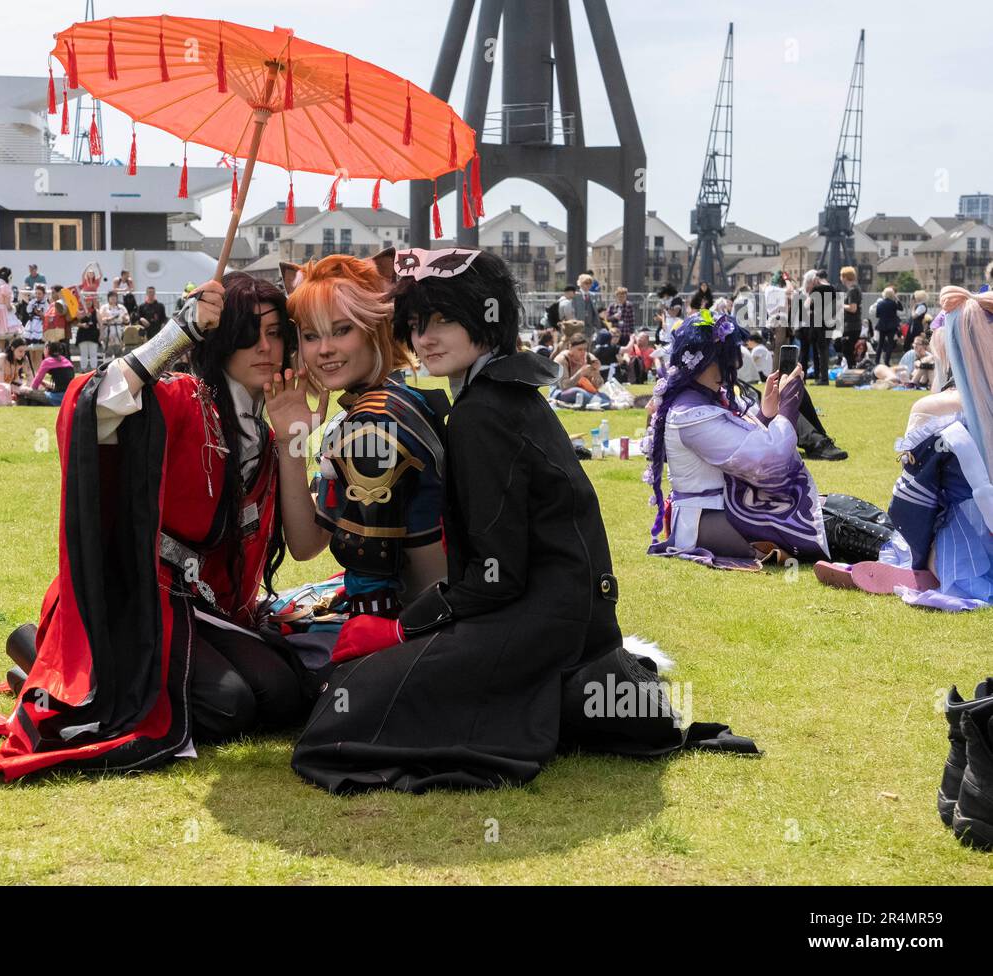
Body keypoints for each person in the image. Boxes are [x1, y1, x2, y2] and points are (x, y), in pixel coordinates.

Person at [291, 249, 757, 793]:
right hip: (559, 619)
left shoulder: (481, 412)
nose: (424, 339)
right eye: (416, 324)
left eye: (443, 319)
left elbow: (496, 575)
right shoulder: (498, 395)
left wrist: (401, 627)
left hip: (537, 625)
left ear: (485, 318)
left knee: (340, 720)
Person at [0, 274, 311, 777]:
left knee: (282, 696)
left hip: (206, 607)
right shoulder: (181, 399)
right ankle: (60, 663)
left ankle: (52, 658)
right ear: (219, 335)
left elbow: (298, 543)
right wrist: (178, 333)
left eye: (276, 333)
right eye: (247, 331)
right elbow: (93, 406)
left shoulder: (272, 418)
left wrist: (294, 438)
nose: (264, 346)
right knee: (232, 706)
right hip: (137, 596)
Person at [266, 249, 447, 661]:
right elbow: (306, 545)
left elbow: (372, 589)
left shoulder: (371, 425)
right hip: (431, 617)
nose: (324, 349)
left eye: (341, 330)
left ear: (375, 328)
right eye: (311, 336)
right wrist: (290, 443)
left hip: (414, 635)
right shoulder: (395, 400)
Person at [816, 288, 993, 610]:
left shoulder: (934, 409)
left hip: (964, 548)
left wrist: (915, 552)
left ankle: (910, 568)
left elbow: (911, 499)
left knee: (853, 519)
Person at [645, 308, 830, 570]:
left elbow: (743, 439)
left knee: (834, 507)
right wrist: (789, 403)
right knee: (833, 529)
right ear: (696, 360)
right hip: (707, 518)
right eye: (718, 359)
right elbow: (768, 457)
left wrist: (766, 412)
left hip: (733, 507)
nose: (728, 366)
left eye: (728, 359)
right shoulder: (689, 414)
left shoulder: (706, 395)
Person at [550, 332, 610, 409]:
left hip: (582, 390)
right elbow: (564, 386)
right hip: (559, 393)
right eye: (579, 349)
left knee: (604, 396)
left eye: (585, 349)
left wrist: (596, 373)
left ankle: (606, 403)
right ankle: (608, 405)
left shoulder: (588, 358)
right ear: (570, 347)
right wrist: (580, 373)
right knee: (578, 393)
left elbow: (598, 386)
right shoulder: (562, 359)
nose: (583, 352)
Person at [800, 270, 836, 385]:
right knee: (825, 351)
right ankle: (824, 378)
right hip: (830, 322)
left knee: (821, 351)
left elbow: (806, 305)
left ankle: (823, 379)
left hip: (818, 323)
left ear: (816, 278)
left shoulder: (817, 289)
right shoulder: (833, 289)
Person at [16, 340, 75, 406]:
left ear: (47, 349)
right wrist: (44, 383)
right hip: (69, 397)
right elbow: (65, 384)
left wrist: (31, 392)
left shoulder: (47, 361)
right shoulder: (67, 361)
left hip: (56, 398)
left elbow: (35, 383)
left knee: (22, 390)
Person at [875, 286, 904, 366]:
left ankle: (877, 361)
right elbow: (901, 308)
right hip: (891, 326)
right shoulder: (893, 303)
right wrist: (897, 299)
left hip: (882, 325)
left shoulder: (880, 303)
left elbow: (877, 315)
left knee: (880, 344)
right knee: (890, 344)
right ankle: (886, 361)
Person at [839, 266, 863, 364]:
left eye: (841, 275)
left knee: (847, 350)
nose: (840, 278)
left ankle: (851, 371)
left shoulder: (852, 291)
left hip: (851, 326)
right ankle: (851, 370)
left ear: (845, 277)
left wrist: (840, 305)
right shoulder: (856, 288)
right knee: (849, 350)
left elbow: (853, 308)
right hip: (855, 325)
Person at [763, 272, 791, 350]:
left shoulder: (770, 289)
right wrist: (787, 279)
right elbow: (790, 290)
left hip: (774, 321)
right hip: (778, 322)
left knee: (779, 349)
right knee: (778, 351)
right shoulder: (773, 289)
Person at [98, 290, 128, 359]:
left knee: (119, 353)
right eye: (111, 297)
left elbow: (127, 319)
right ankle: (107, 368)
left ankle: (119, 368)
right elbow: (100, 320)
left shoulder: (121, 307)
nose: (113, 299)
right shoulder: (104, 307)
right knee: (108, 353)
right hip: (108, 332)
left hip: (119, 331)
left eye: (115, 297)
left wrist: (125, 319)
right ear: (108, 298)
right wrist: (110, 318)